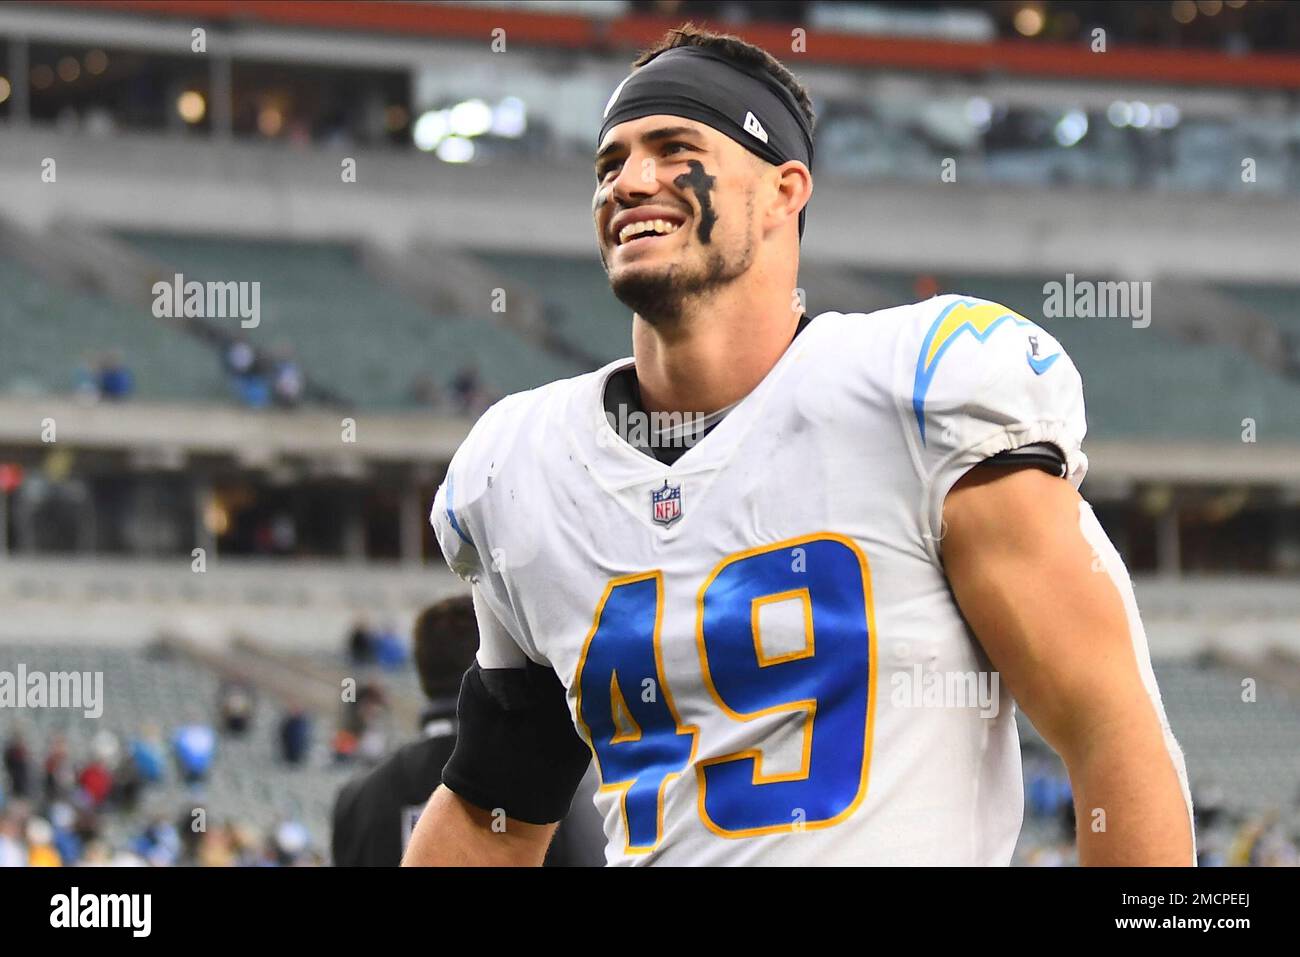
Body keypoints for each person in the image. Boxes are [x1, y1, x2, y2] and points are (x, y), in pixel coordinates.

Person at [408, 24, 1194, 866]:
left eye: (674, 149)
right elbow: (492, 806)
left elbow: (1111, 727)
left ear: (785, 190)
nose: (629, 182)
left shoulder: (917, 395)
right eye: (609, 164)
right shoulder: (523, 469)